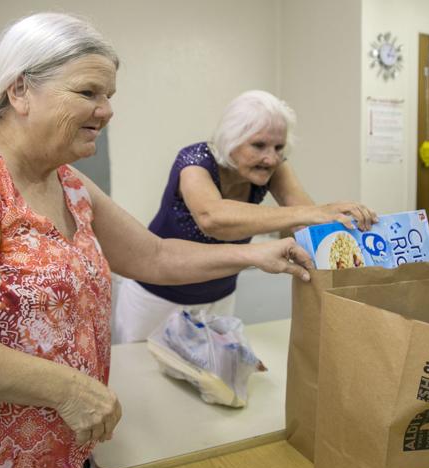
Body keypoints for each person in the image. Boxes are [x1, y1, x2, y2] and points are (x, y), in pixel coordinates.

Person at [0, 13, 313, 468]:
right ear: (20, 91)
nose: (106, 111)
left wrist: (256, 257)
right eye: (88, 92)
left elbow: (154, 255)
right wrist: (68, 389)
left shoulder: (64, 180)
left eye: (109, 96)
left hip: (45, 453)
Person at [113, 90, 377, 344]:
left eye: (279, 147)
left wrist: (363, 247)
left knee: (213, 383)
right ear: (231, 139)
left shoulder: (273, 168)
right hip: (157, 298)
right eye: (259, 145)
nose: (271, 158)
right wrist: (314, 212)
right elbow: (213, 220)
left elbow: (307, 223)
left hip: (220, 296)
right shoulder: (195, 161)